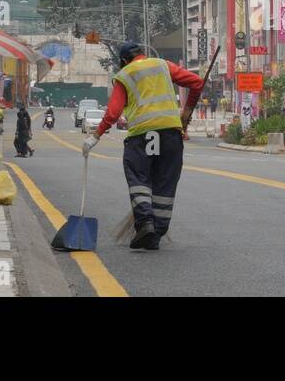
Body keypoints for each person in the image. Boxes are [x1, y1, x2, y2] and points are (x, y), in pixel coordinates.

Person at [83, 42, 204, 251]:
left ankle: (146, 223)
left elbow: (113, 113)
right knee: (164, 183)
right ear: (143, 54)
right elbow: (197, 82)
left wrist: (96, 135)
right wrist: (185, 114)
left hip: (142, 136)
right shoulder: (162, 65)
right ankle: (156, 234)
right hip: (171, 136)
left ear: (123, 60)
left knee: (139, 177)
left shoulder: (124, 74)